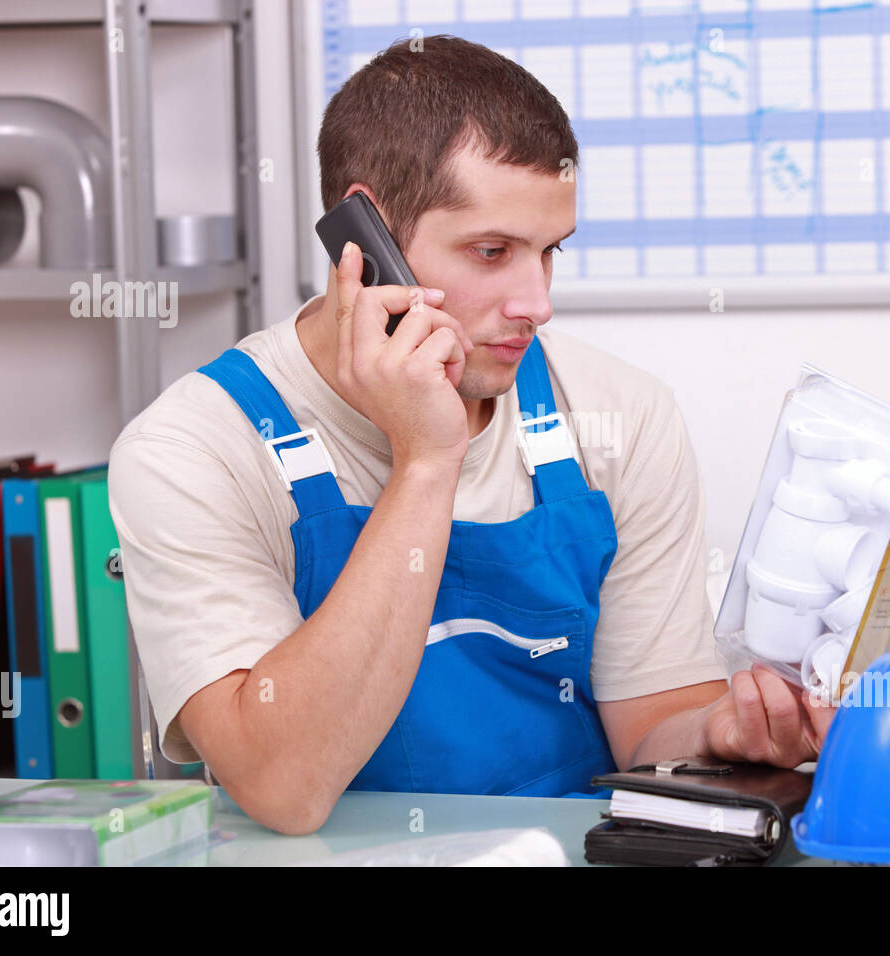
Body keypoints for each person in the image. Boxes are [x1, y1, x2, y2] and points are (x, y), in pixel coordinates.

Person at [109, 35, 830, 836]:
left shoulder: (621, 416)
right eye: (492, 252)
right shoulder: (191, 449)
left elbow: (649, 728)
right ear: (365, 242)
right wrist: (426, 462)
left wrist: (714, 732)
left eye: (549, 252)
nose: (537, 303)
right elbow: (284, 785)